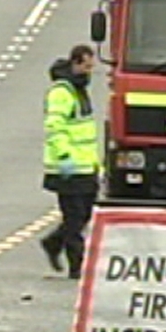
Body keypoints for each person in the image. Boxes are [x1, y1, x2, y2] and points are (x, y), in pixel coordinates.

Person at [39, 44, 100, 280]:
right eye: (86, 66)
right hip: (67, 168)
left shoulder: (79, 90)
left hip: (85, 167)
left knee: (83, 215)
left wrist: (96, 165)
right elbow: (55, 127)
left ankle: (53, 243)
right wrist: (64, 156)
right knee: (74, 219)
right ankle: (77, 266)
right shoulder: (61, 93)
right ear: (75, 63)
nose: (88, 71)